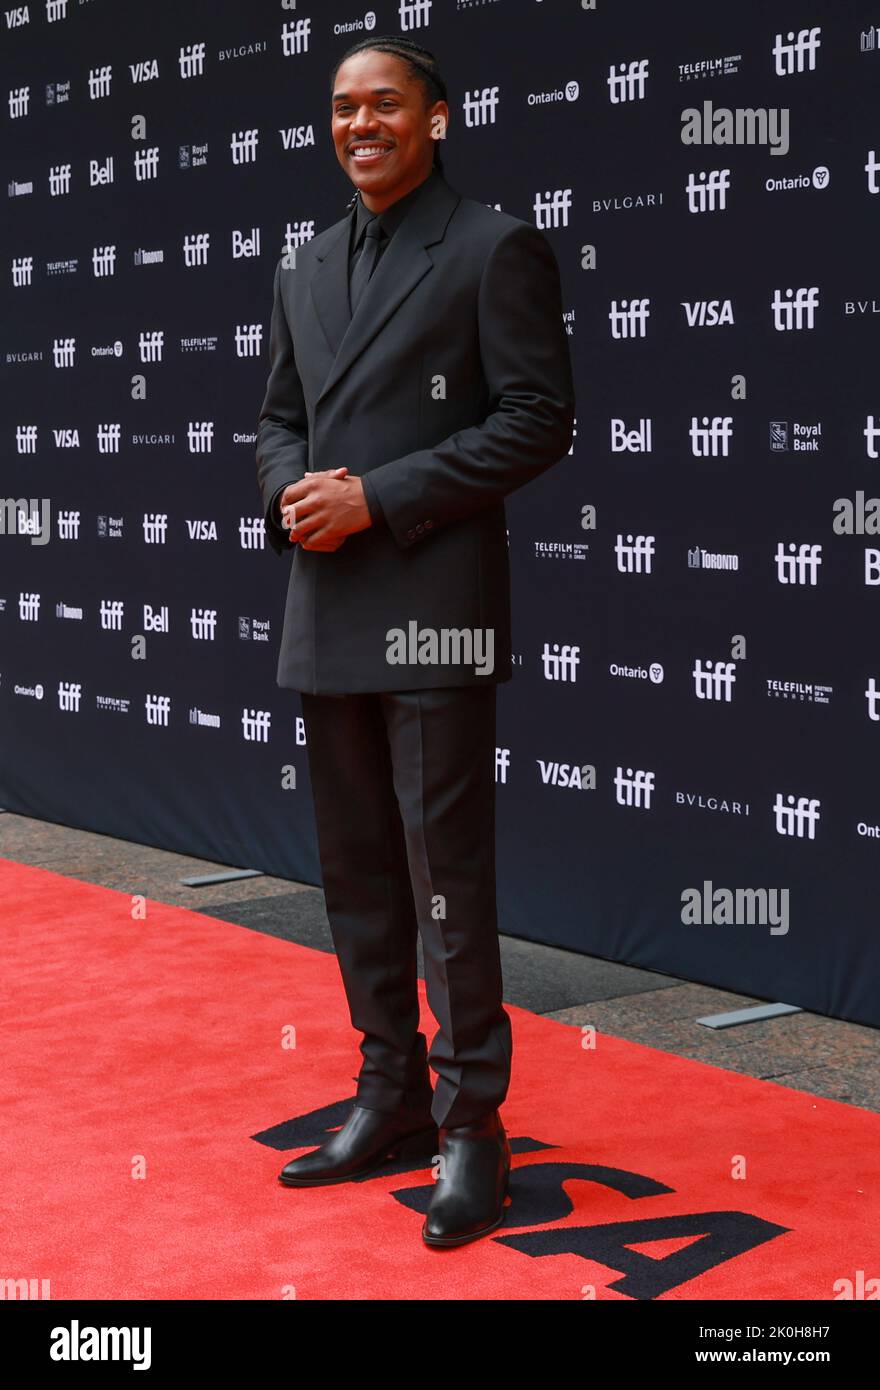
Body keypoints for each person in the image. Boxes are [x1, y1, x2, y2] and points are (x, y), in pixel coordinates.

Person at [255, 35, 575, 1247]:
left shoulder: (493, 247)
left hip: (433, 609)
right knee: (357, 881)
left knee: (448, 885)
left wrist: (376, 497)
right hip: (324, 609)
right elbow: (278, 417)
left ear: (438, 117)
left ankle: (472, 1126)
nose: (360, 123)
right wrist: (296, 491)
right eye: (342, 108)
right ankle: (387, 1093)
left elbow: (538, 418)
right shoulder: (304, 264)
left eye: (384, 103)